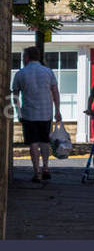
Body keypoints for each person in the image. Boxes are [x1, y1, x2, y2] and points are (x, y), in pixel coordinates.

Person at [12, 46, 62, 184]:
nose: (23, 60)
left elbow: (15, 95)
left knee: (33, 143)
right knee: (45, 142)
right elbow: (55, 92)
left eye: (23, 57)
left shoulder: (20, 74)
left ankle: (37, 173)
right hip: (46, 113)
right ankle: (46, 168)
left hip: (29, 114)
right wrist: (57, 110)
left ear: (27, 58)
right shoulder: (48, 72)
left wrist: (18, 112)